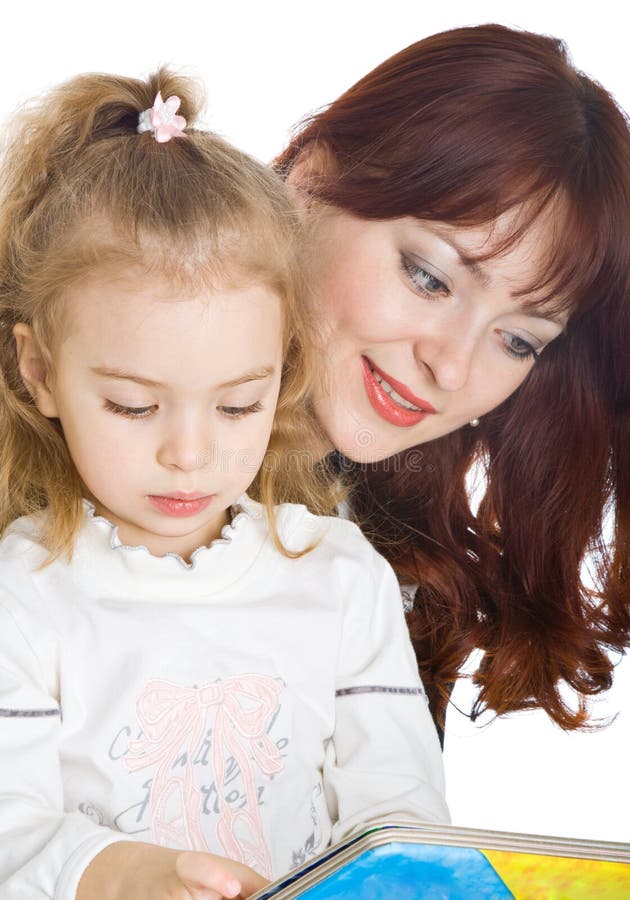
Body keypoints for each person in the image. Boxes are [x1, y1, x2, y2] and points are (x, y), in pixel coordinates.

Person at [0, 71, 448, 899]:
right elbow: (8, 827)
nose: (190, 453)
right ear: (39, 372)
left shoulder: (342, 578)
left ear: (283, 373)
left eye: (240, 403)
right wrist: (126, 875)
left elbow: (402, 819)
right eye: (135, 406)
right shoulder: (24, 597)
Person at [275, 23, 630, 736]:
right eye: (429, 276)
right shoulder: (48, 469)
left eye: (517, 339)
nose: (452, 366)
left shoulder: (393, 567)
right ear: (311, 183)